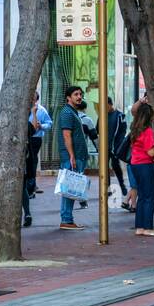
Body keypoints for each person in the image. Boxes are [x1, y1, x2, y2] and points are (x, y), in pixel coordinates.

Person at [0, 110, 33, 228]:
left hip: (20, 160)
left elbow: (32, 132)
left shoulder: (24, 122)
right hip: (4, 161)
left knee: (22, 187)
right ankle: (7, 216)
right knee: (8, 187)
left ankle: (27, 214)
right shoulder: (0, 121)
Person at [128, 102, 154, 237]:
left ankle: (140, 227)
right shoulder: (148, 131)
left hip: (135, 165)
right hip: (145, 165)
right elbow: (150, 152)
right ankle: (148, 227)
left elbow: (143, 146)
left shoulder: (135, 128)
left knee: (142, 197)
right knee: (150, 196)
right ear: (149, 115)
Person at [56, 85, 89, 230]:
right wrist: (72, 156)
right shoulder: (67, 113)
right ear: (68, 97)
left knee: (71, 189)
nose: (79, 96)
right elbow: (66, 135)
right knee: (69, 189)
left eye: (80, 94)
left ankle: (67, 219)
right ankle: (67, 220)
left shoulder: (73, 112)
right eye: (76, 94)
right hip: (72, 158)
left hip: (77, 157)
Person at [105, 97, 132, 209]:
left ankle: (122, 185)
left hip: (115, 146)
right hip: (106, 146)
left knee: (116, 167)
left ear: (110, 104)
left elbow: (123, 130)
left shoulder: (120, 115)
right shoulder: (103, 116)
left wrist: (118, 145)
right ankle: (107, 188)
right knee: (105, 168)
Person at [27, 90, 50, 197]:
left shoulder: (41, 110)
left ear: (37, 99)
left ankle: (31, 187)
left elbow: (49, 124)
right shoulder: (22, 108)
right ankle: (29, 186)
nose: (32, 100)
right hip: (23, 140)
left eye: (34, 98)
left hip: (35, 139)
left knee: (32, 162)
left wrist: (41, 126)